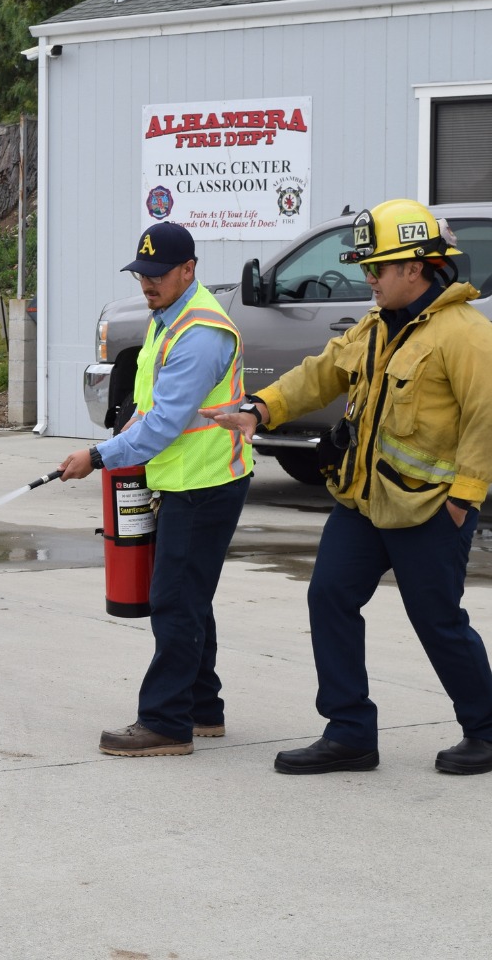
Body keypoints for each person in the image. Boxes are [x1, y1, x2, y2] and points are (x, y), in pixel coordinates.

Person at [205, 198, 492, 775]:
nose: (368, 278)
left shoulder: (465, 335)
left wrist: (464, 499)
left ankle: (486, 729)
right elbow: (320, 373)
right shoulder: (377, 327)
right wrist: (261, 409)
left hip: (430, 510)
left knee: (436, 620)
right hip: (363, 501)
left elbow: (486, 418)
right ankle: (350, 732)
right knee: (330, 596)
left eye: (378, 267)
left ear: (416, 268)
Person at [60, 221, 253, 757]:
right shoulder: (168, 318)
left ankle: (166, 722)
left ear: (188, 270)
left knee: (172, 600)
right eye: (141, 273)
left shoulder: (201, 332)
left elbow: (166, 425)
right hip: (187, 478)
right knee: (191, 596)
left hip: (206, 482)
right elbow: (150, 404)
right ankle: (201, 707)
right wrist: (125, 431)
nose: (147, 283)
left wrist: (98, 456)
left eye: (158, 274)